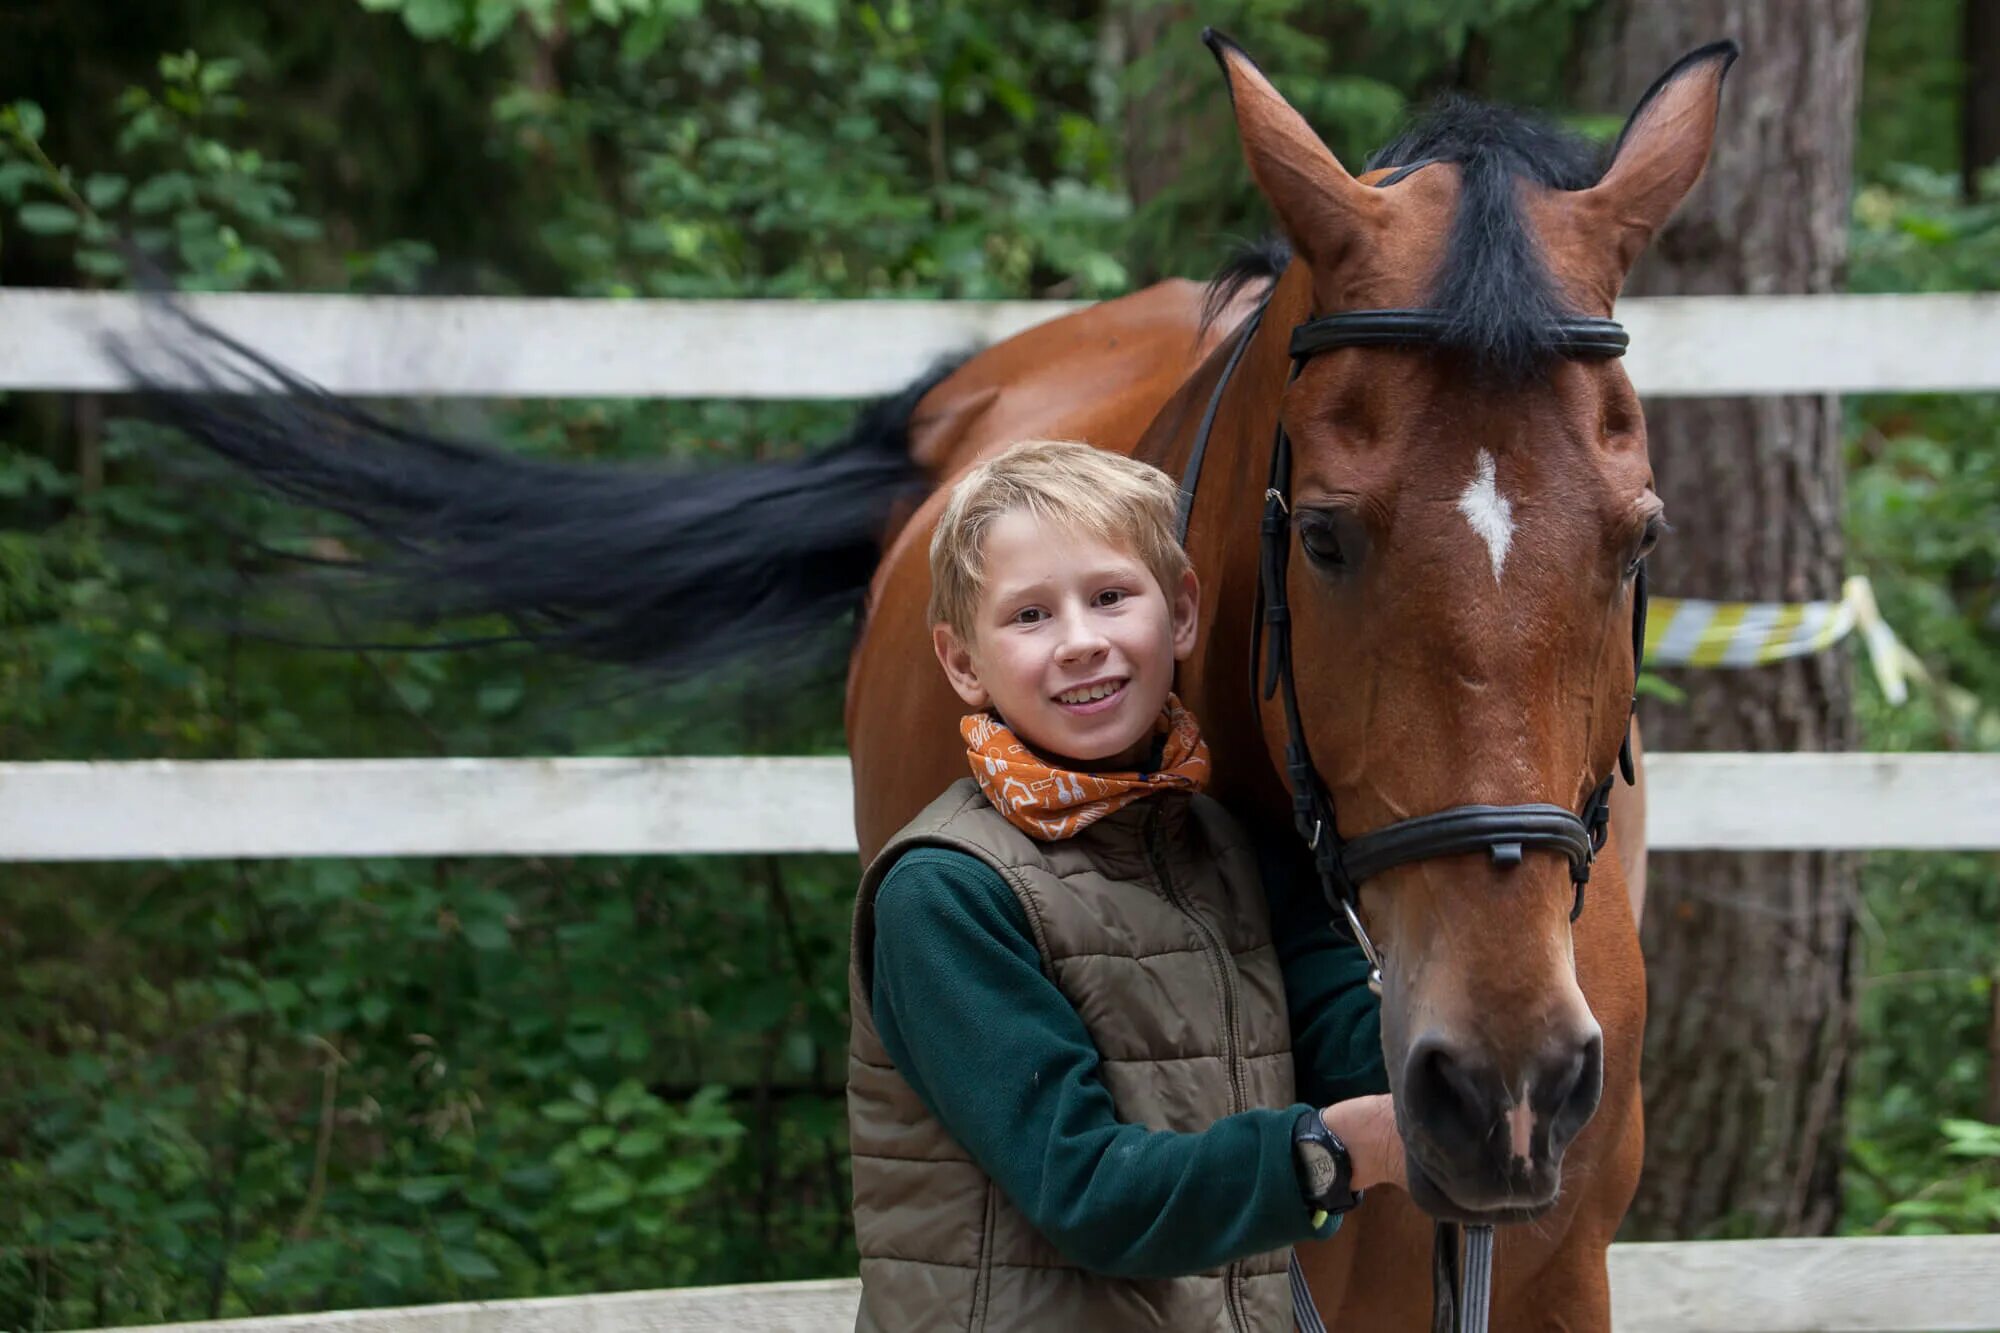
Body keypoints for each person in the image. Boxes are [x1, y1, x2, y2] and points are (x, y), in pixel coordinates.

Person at [845, 439, 1400, 1331]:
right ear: (963, 664)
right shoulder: (945, 892)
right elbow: (1086, 1189)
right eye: (1030, 615)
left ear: (1179, 612)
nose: (1081, 642)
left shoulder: (1233, 849)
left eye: (1110, 597)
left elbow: (1355, 1050)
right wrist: (1335, 1152)